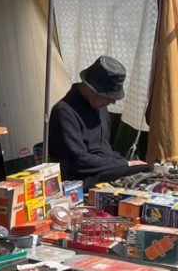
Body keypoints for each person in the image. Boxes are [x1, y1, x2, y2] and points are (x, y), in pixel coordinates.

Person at [46, 56, 146, 187]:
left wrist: (127, 162)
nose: (113, 102)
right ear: (91, 88)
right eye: (108, 96)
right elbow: (77, 162)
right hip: (79, 181)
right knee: (144, 170)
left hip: (103, 172)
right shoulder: (64, 112)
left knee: (150, 171)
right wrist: (126, 165)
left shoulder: (100, 107)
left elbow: (105, 151)